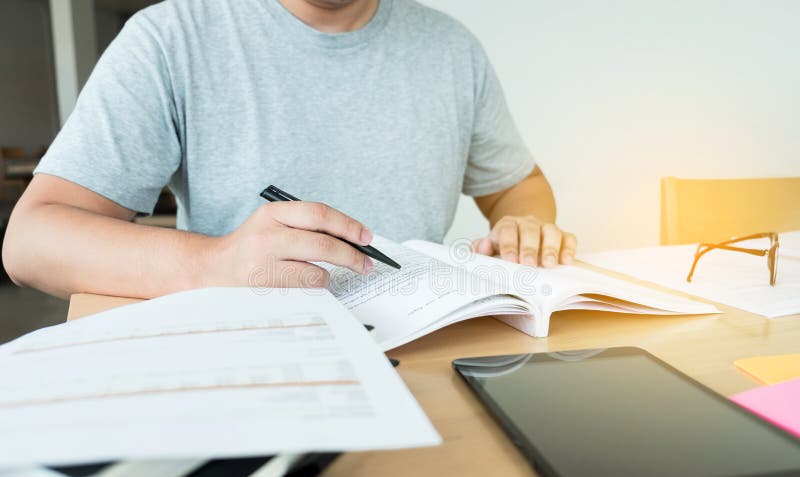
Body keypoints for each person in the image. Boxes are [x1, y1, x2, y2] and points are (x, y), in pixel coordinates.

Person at [2, 0, 577, 300]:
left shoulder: (453, 48)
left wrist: (525, 222)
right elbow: (31, 242)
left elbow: (517, 184)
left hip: (426, 350)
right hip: (252, 362)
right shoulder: (171, 38)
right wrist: (212, 263)